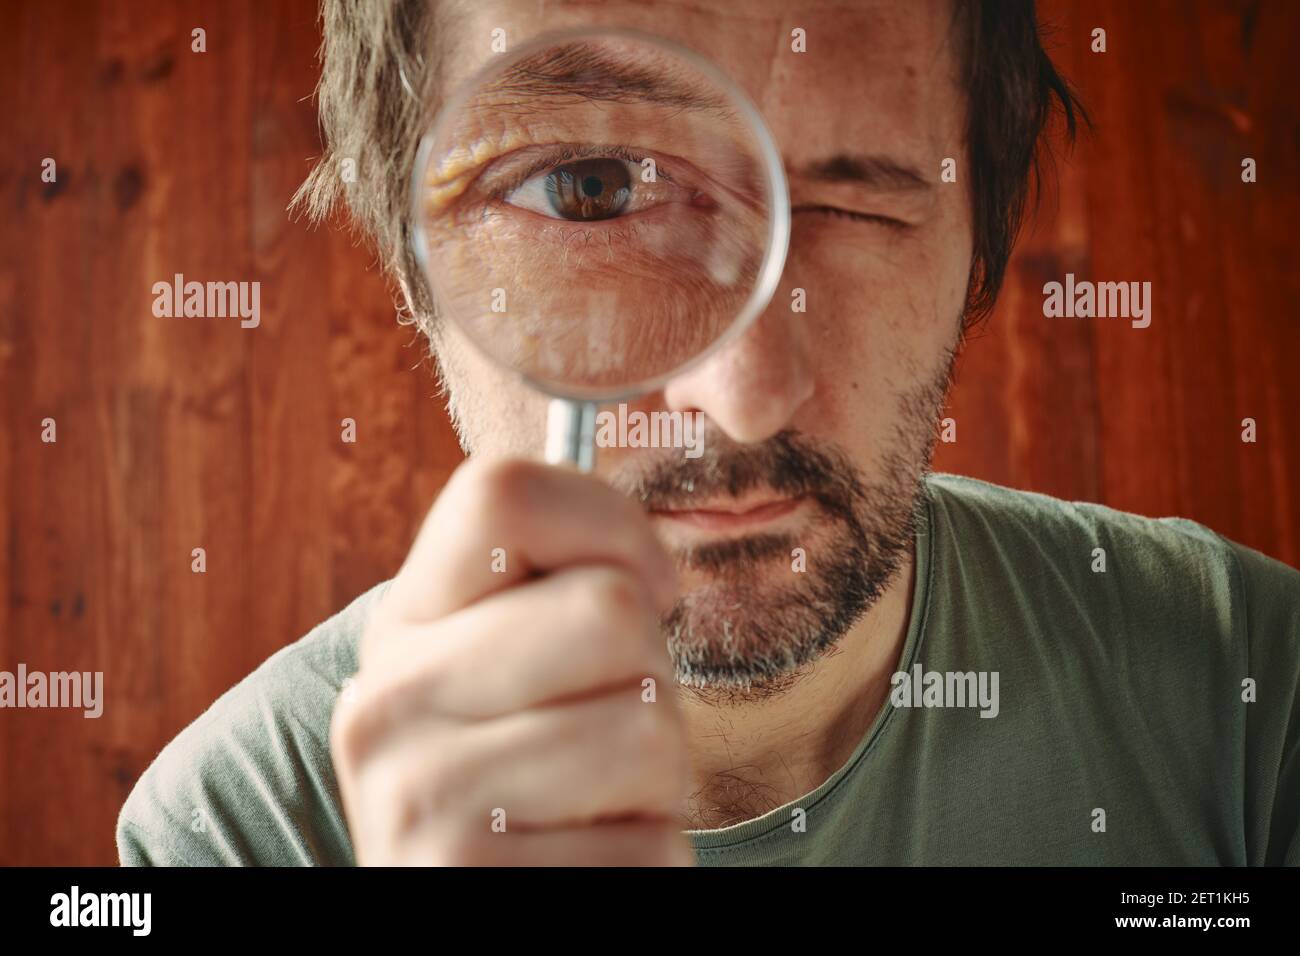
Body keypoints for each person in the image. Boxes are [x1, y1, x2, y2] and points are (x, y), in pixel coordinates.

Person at [116, 0, 1300, 866]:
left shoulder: (1251, 691)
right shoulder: (236, 829)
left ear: (977, 253)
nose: (744, 391)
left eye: (849, 201)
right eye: (590, 190)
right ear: (413, 268)